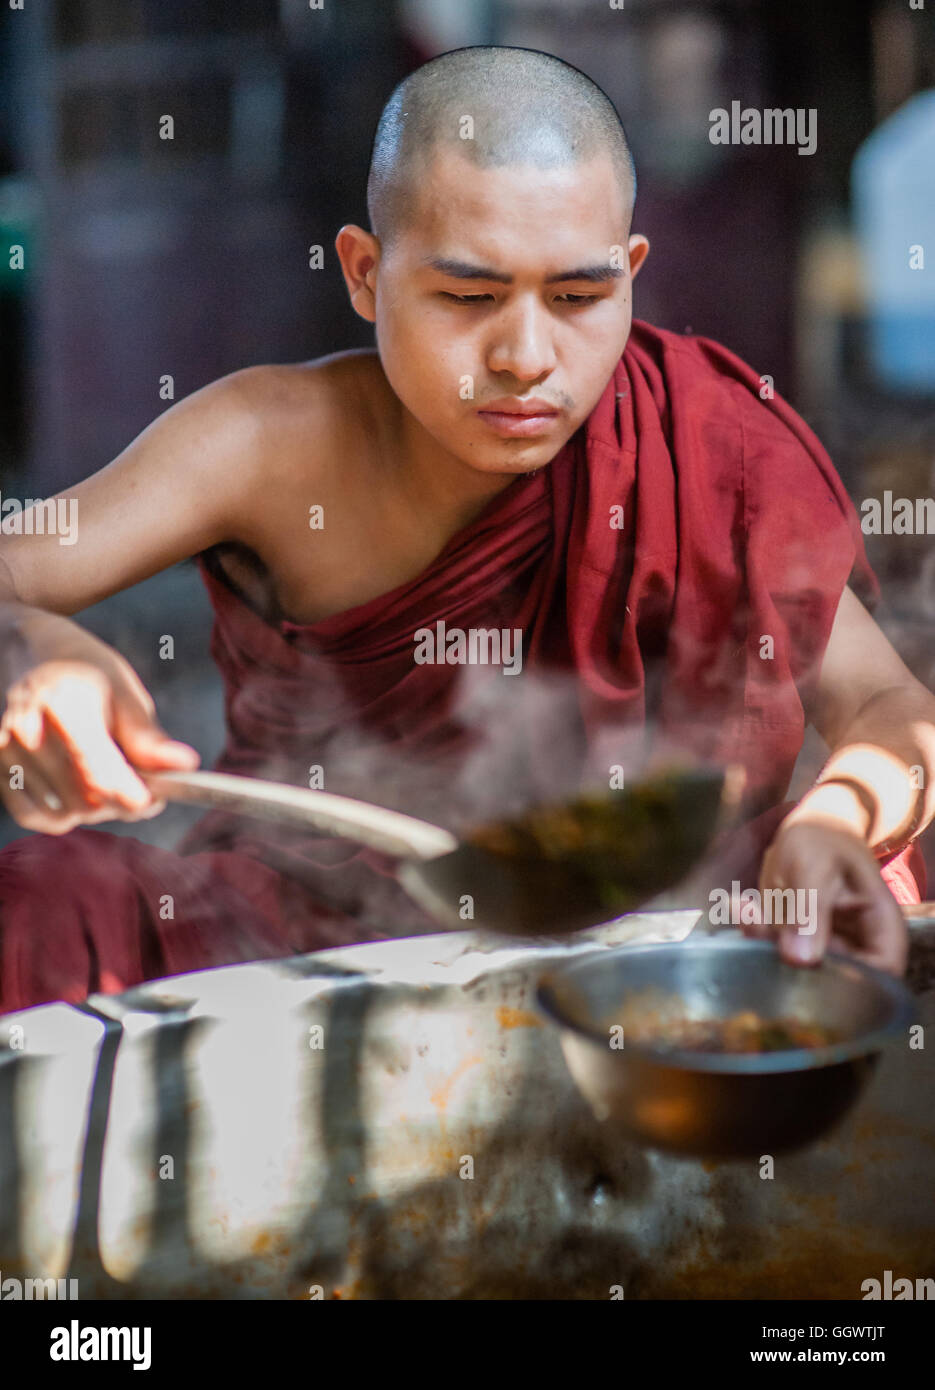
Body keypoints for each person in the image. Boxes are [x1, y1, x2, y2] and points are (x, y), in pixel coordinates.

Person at [0, 46, 932, 1015]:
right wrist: (26, 652)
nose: (527, 358)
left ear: (628, 272)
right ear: (364, 274)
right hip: (307, 953)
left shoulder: (701, 439)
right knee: (46, 902)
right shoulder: (263, 445)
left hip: (670, 943)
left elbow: (885, 708)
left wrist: (833, 817)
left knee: (877, 888)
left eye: (576, 298)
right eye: (466, 297)